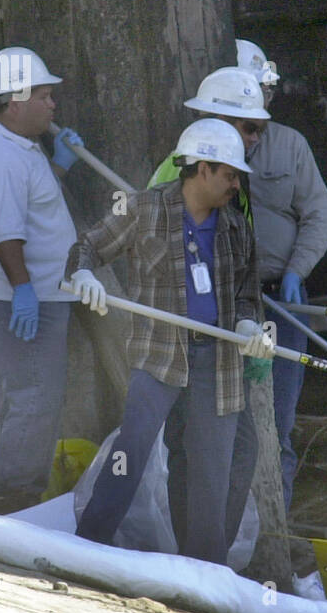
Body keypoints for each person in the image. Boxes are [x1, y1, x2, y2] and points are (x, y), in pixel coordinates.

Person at [67, 119, 276, 563]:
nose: (236, 185)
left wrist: (248, 327)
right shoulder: (143, 210)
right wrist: (83, 273)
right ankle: (87, 547)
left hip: (218, 362)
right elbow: (88, 246)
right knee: (134, 446)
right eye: (229, 175)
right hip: (159, 352)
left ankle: (203, 571)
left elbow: (246, 296)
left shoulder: (237, 227)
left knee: (211, 474)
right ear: (202, 169)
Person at [151, 47, 327, 510]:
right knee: (215, 428)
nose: (258, 131)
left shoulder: (289, 146)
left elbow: (319, 213)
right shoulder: (190, 164)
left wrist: (296, 271)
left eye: (262, 120)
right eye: (250, 123)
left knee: (276, 421)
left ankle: (272, 529)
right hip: (213, 313)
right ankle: (217, 543)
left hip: (279, 302)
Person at [0, 46, 86, 515]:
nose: (52, 105)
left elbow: (30, 203)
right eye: (44, 95)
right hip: (17, 299)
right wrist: (24, 290)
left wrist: (60, 164)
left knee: (28, 397)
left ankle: (15, 497)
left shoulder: (19, 147)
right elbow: (6, 233)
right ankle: (11, 502)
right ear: (15, 100)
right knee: (34, 399)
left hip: (38, 295)